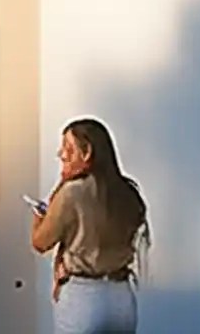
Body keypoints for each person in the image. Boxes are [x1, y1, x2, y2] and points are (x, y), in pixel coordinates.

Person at [30, 118, 151, 334]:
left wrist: (39, 215)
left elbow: (40, 242)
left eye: (68, 148)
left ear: (87, 153)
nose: (61, 154)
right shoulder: (129, 193)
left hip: (83, 297)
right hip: (121, 296)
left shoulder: (72, 193)